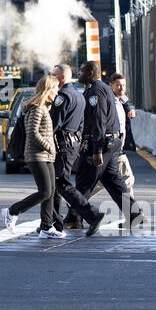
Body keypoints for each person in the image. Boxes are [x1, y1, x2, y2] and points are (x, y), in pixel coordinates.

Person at [65, 62, 143, 236]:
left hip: (101, 143)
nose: (80, 72)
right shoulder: (101, 89)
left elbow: (99, 121)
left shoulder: (95, 91)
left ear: (91, 73)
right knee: (113, 182)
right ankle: (134, 214)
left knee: (85, 181)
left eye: (83, 70)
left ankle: (75, 218)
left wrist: (97, 149)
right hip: (110, 143)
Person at [2, 75, 65, 238]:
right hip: (37, 155)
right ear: (48, 90)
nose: (57, 92)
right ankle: (12, 211)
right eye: (55, 89)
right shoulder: (37, 108)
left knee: (50, 191)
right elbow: (33, 133)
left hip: (47, 156)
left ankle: (46, 227)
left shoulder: (44, 107)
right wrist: (50, 146)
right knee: (44, 192)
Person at [48, 64, 86, 232]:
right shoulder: (79, 95)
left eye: (54, 75)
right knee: (59, 183)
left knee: (58, 183)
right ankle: (55, 220)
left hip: (62, 144)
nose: (51, 78)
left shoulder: (62, 96)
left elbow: (54, 123)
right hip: (73, 143)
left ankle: (56, 220)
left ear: (62, 78)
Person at [107, 74, 139, 196]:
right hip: (113, 145)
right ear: (111, 85)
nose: (122, 88)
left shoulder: (122, 100)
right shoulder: (109, 101)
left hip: (116, 146)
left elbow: (128, 104)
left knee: (100, 180)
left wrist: (131, 110)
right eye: (118, 85)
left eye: (124, 85)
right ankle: (131, 213)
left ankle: (78, 200)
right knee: (127, 179)